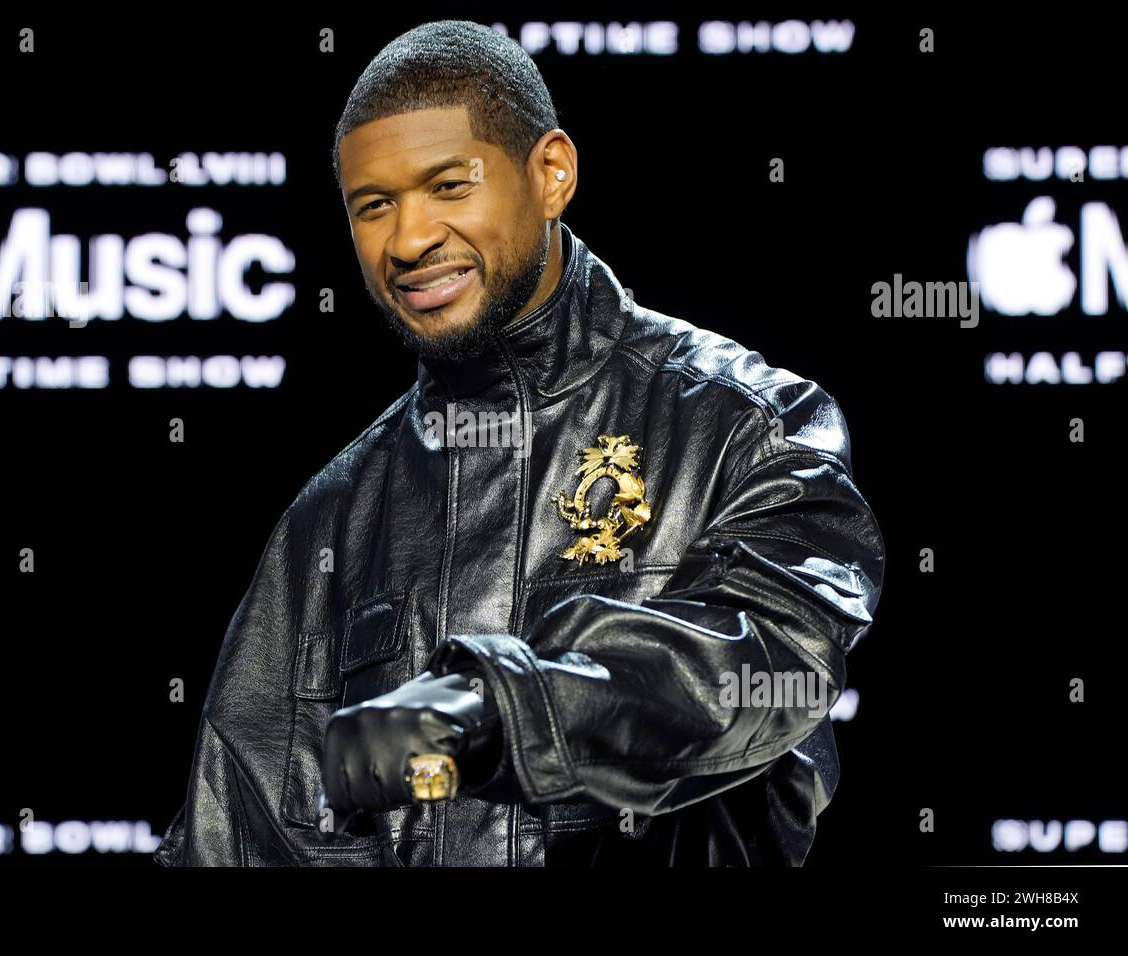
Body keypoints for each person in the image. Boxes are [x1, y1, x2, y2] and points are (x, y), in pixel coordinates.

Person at [153, 19, 884, 867]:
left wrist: (497, 711)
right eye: (374, 205)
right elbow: (227, 838)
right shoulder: (328, 521)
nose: (409, 239)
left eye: (448, 187)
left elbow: (772, 662)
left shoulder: (747, 424)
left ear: (551, 174)